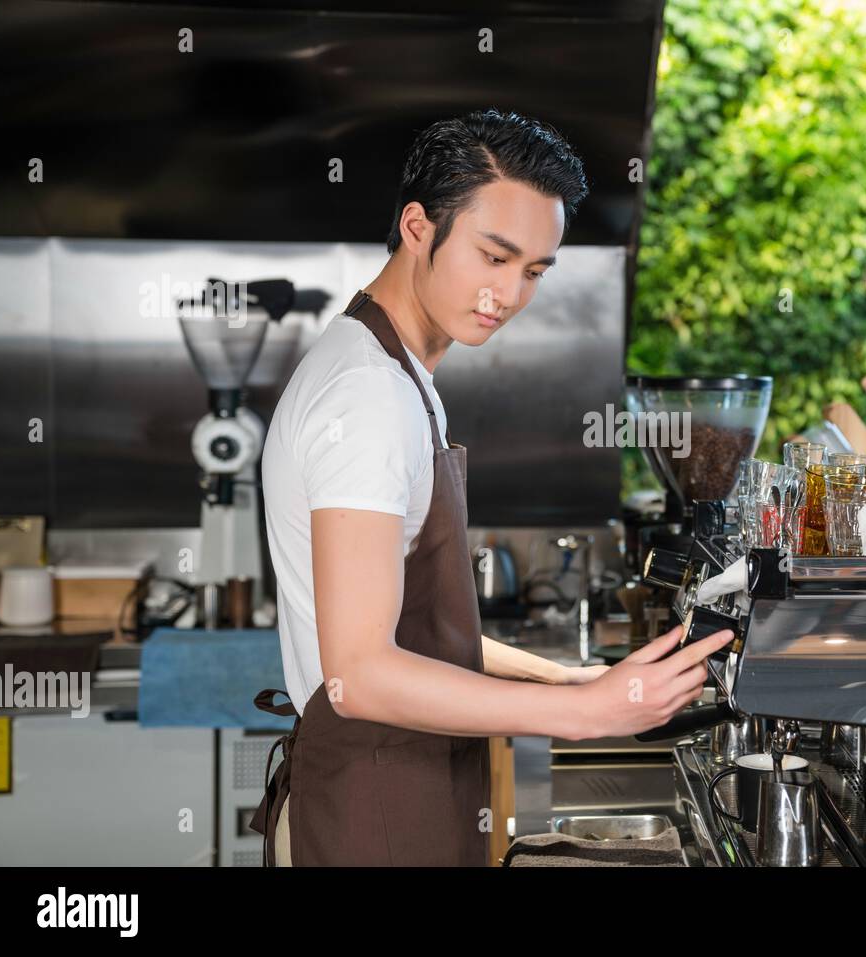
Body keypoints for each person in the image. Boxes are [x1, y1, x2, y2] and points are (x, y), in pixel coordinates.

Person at [249, 109, 731, 866]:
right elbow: (360, 674)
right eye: (493, 255)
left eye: (534, 270)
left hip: (399, 788)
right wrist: (584, 716)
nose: (508, 293)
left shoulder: (396, 373)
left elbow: (413, 634)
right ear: (418, 226)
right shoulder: (368, 397)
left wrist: (571, 678)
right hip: (373, 812)